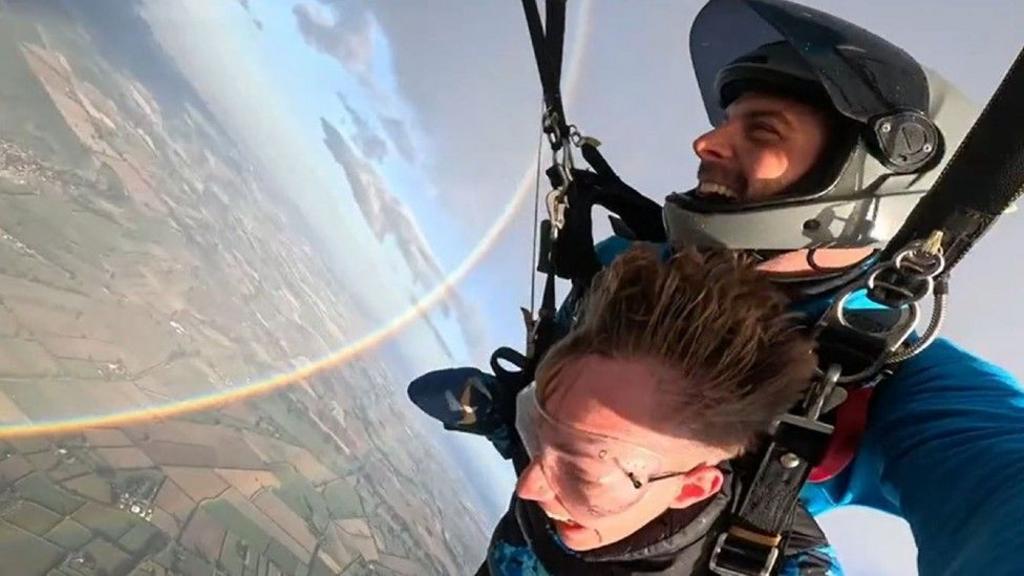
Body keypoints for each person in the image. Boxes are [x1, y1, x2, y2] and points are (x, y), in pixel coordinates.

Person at [412, 0, 1024, 574]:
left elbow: (1006, 484)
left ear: (866, 187)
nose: (705, 142)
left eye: (762, 131)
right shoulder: (628, 266)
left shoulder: (909, 387)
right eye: (728, 122)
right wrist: (513, 414)